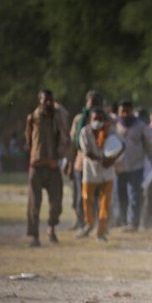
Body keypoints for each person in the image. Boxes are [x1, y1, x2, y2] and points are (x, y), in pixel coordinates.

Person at [24, 89, 70, 246]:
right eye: (45, 100)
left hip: (53, 166)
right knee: (34, 204)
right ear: (40, 101)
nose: (49, 103)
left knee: (56, 202)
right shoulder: (33, 118)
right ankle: (35, 236)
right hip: (36, 166)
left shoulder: (58, 118)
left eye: (51, 100)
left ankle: (51, 229)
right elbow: (29, 139)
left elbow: (65, 134)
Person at [77, 108, 121, 241]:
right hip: (90, 171)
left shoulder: (111, 131)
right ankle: (89, 224)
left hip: (107, 173)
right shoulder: (85, 132)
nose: (97, 122)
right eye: (95, 119)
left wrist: (112, 159)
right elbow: (87, 152)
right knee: (87, 199)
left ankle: (101, 231)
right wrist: (103, 160)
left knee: (105, 203)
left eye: (100, 119)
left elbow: (120, 146)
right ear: (90, 119)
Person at [115, 101, 152, 232]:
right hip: (118, 167)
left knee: (134, 195)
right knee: (121, 195)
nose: (124, 114)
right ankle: (123, 222)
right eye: (122, 111)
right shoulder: (115, 126)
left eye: (127, 111)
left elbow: (149, 145)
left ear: (131, 111)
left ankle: (134, 223)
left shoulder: (140, 126)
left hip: (136, 166)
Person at [68, 90, 104, 231]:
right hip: (81, 164)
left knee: (97, 197)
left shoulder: (105, 121)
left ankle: (94, 223)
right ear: (86, 103)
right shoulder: (79, 119)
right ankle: (80, 221)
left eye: (96, 103)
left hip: (99, 166)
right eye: (91, 103)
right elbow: (73, 143)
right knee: (79, 196)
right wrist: (69, 163)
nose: (93, 106)